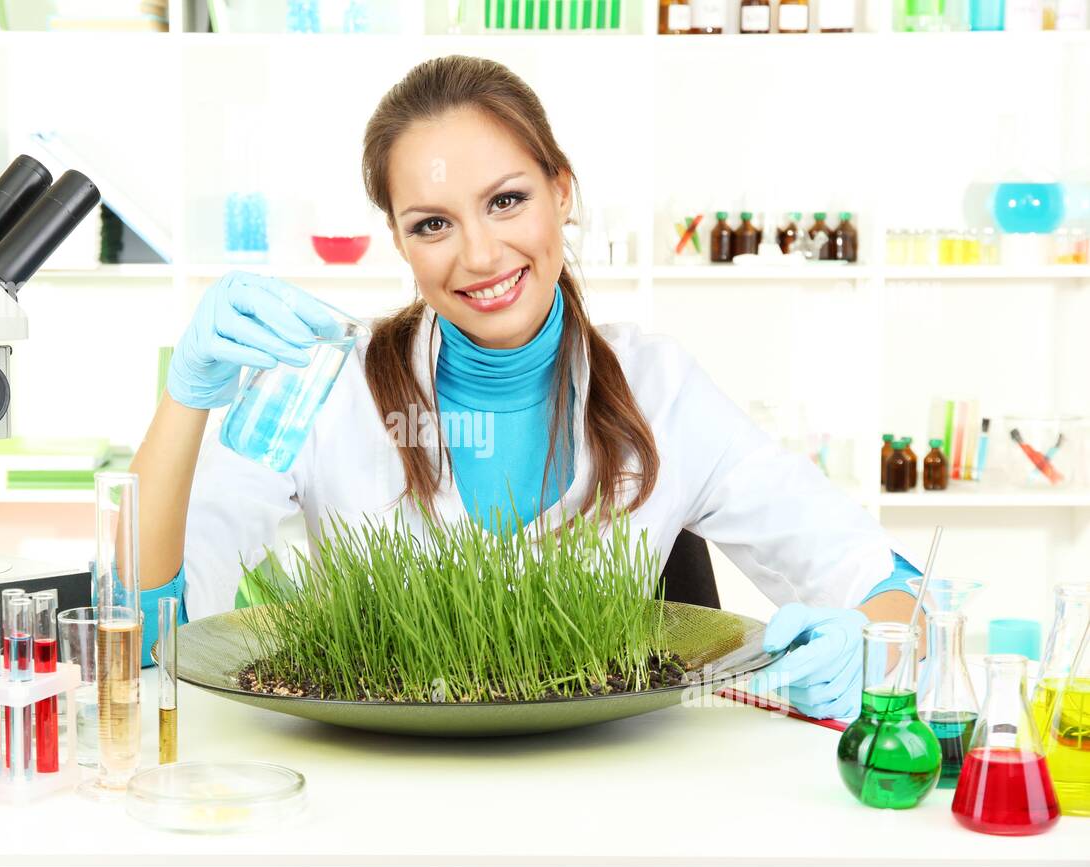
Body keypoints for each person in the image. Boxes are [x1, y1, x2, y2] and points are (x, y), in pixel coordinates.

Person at [129, 54, 920, 722]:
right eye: (431, 224)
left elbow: (886, 585)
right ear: (399, 238)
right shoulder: (322, 386)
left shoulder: (660, 388)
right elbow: (154, 629)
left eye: (507, 201)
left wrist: (876, 646)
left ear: (562, 192)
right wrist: (185, 396)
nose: (478, 253)